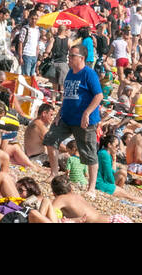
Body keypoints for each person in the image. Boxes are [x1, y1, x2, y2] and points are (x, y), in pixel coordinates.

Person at [42, 44, 103, 191]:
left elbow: (99, 95)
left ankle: (91, 188)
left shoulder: (89, 73)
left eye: (72, 55)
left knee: (88, 153)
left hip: (84, 121)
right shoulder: (70, 73)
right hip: (66, 117)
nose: (69, 58)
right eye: (69, 55)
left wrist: (87, 113)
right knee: (51, 138)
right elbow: (67, 97)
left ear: (81, 58)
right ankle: (54, 173)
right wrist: (58, 114)